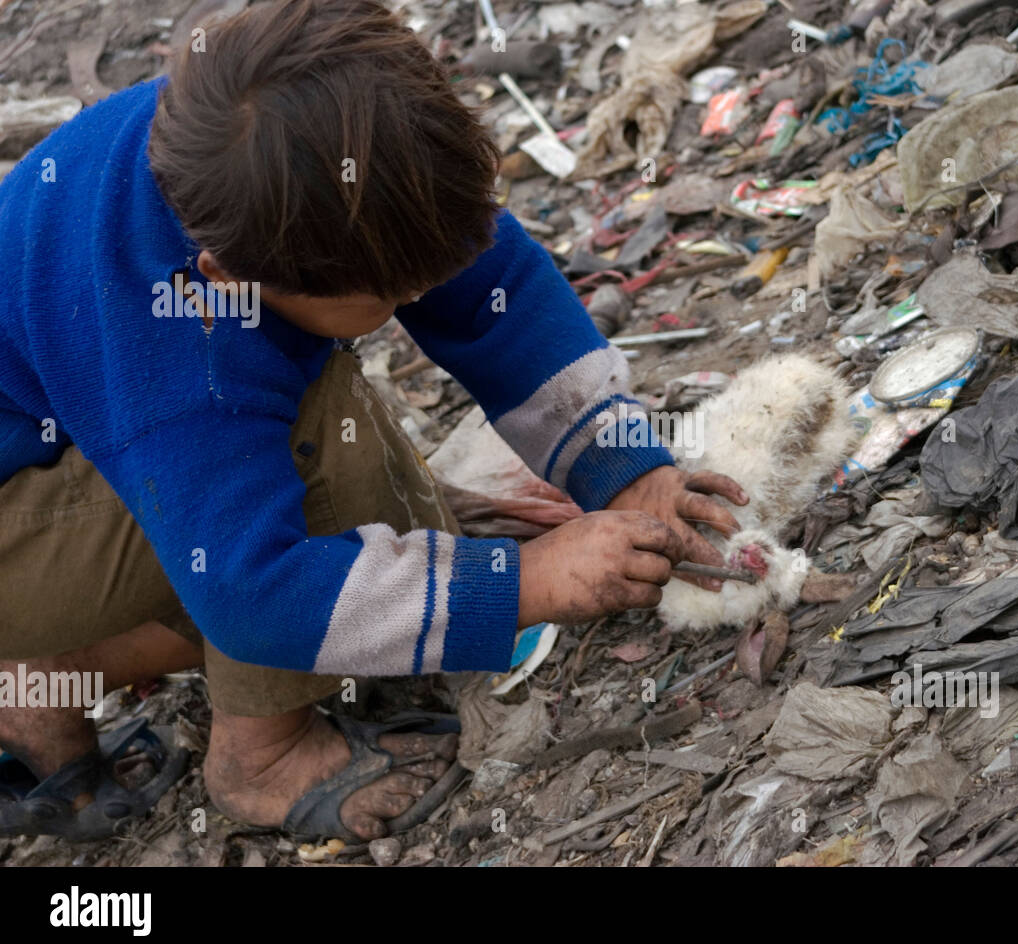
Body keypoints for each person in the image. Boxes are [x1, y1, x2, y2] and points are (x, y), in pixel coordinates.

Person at [0, 0, 744, 842]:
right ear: (226, 275)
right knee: (319, 433)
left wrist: (627, 470)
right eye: (392, 299)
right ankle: (260, 759)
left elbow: (493, 296)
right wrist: (527, 583)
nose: (420, 303)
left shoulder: (278, 158)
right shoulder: (183, 351)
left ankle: (39, 680)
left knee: (362, 502)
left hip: (45, 454)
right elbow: (254, 590)